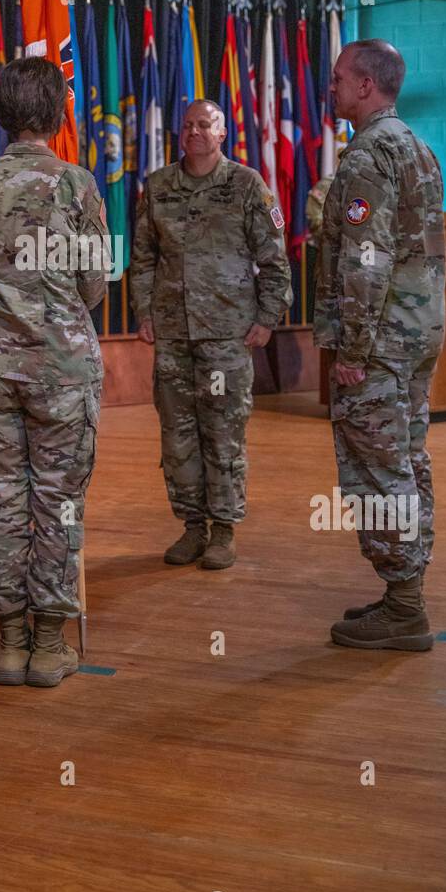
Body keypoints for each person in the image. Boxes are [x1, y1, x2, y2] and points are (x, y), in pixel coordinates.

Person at [0, 58, 108, 688]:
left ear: (0, 112)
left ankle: (10, 644)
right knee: (58, 503)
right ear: (58, 113)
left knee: (3, 501)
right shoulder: (77, 184)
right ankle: (50, 644)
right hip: (60, 368)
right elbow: (96, 287)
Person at [314, 39, 446, 651]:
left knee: (377, 469)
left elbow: (367, 262)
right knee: (408, 457)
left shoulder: (370, 155)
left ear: (366, 86)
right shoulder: (417, 147)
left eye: (340, 77)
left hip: (382, 341)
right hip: (418, 332)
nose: (332, 84)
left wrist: (353, 350)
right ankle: (404, 591)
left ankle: (404, 606)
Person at [131, 99, 292, 569]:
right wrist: (144, 311)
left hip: (228, 334)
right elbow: (142, 257)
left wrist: (267, 317)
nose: (195, 132)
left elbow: (274, 259)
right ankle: (191, 527)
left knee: (223, 432)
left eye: (205, 125)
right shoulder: (158, 187)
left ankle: (224, 530)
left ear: (223, 133)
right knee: (177, 435)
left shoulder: (247, 186)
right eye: (188, 125)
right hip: (174, 334)